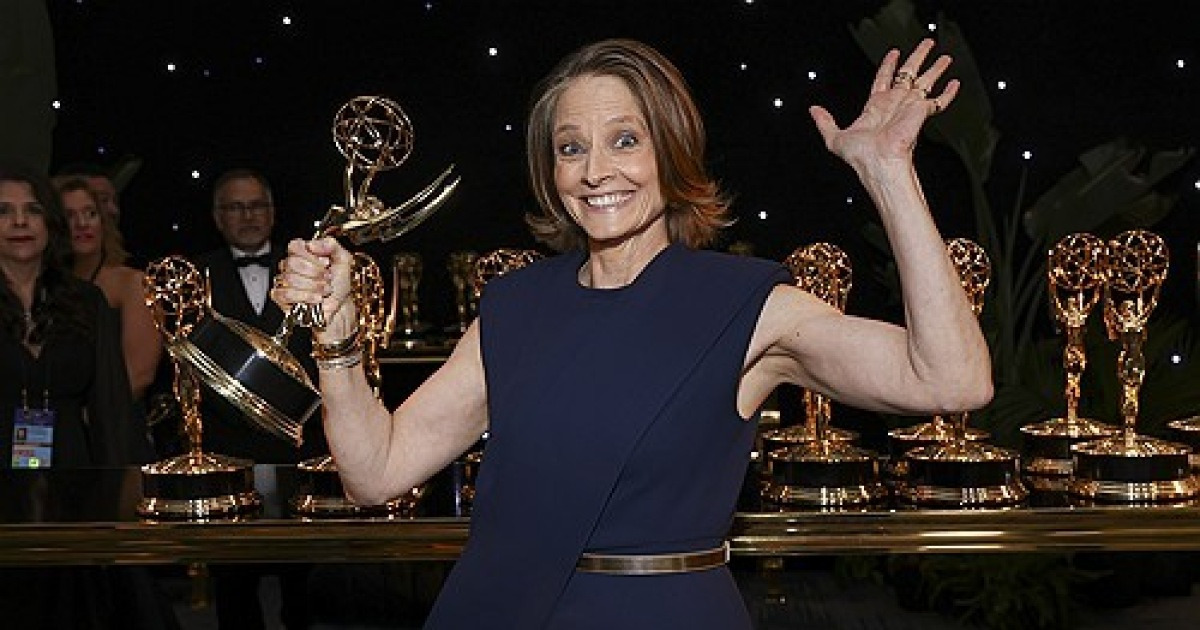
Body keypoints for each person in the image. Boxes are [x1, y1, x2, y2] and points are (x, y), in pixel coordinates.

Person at [272, 38, 991, 629]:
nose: (596, 172)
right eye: (570, 148)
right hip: (500, 609)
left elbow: (953, 381)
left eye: (624, 140)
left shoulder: (749, 305)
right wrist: (336, 340)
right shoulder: (513, 308)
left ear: (669, 151)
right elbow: (375, 475)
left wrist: (888, 171)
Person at [0, 161, 163, 629]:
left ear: (50, 225)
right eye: (5, 211)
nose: (19, 222)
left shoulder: (85, 301)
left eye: (31, 210)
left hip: (77, 480)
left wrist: (121, 500)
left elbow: (111, 409)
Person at [194, 168, 317, 630]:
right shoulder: (196, 276)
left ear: (273, 212)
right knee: (235, 582)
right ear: (216, 216)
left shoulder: (304, 269)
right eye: (234, 206)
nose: (247, 216)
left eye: (257, 205)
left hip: (298, 446)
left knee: (300, 578)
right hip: (228, 449)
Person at [55, 177, 162, 402]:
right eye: (69, 216)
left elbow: (139, 375)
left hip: (113, 421)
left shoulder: (132, 283)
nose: (82, 224)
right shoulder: (46, 285)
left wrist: (85, 417)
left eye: (90, 213)